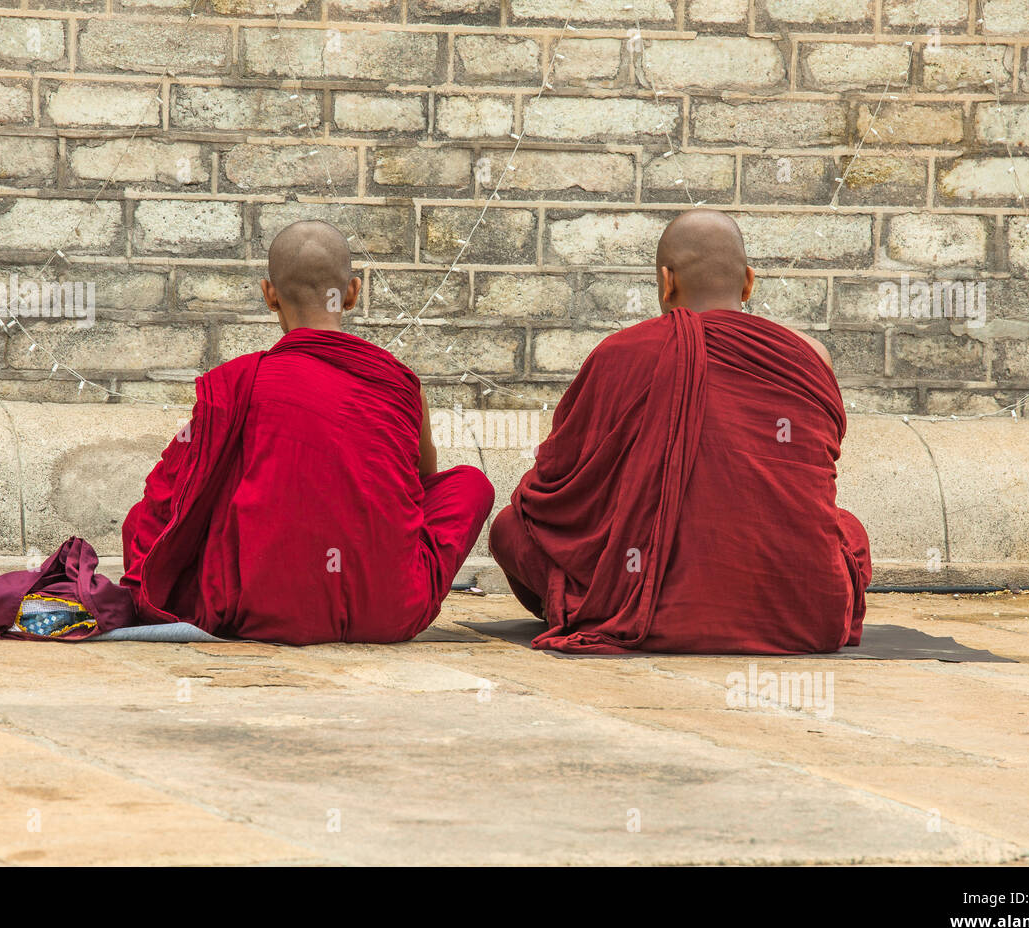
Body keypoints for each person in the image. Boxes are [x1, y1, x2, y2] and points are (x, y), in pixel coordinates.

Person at [489, 210, 871, 654]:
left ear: (667, 281)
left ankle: (599, 601)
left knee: (511, 526)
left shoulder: (622, 353)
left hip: (646, 599)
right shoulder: (809, 355)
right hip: (807, 610)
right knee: (848, 530)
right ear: (748, 282)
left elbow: (558, 483)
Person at [122, 220, 494, 644]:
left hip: (264, 611)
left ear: (269, 294)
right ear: (352, 292)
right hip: (390, 613)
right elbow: (425, 486)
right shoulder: (399, 382)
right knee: (470, 483)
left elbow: (171, 499)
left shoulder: (243, 381)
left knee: (161, 507)